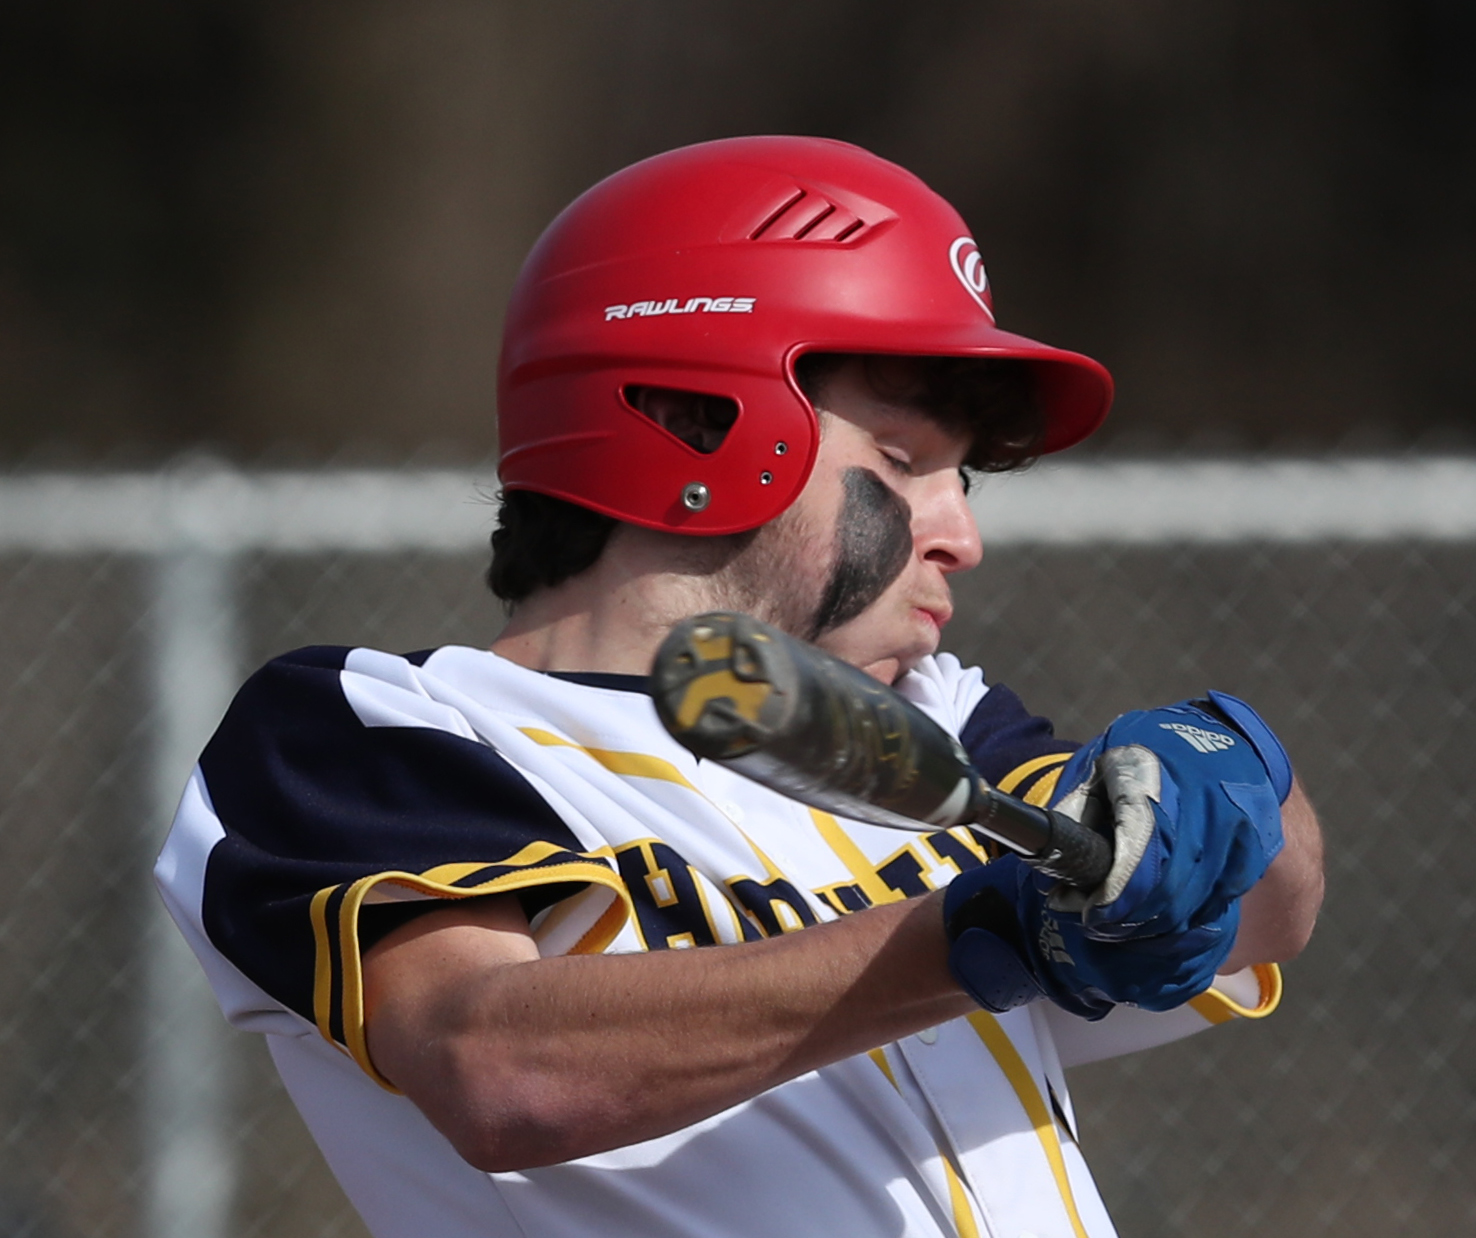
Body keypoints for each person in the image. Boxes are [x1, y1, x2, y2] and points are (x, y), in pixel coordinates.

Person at [156, 135, 1323, 1238]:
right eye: (904, 463)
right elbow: (498, 1067)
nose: (960, 534)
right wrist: (975, 934)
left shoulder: (940, 719)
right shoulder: (376, 728)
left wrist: (1217, 787)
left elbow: (1269, 904)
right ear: (682, 418)